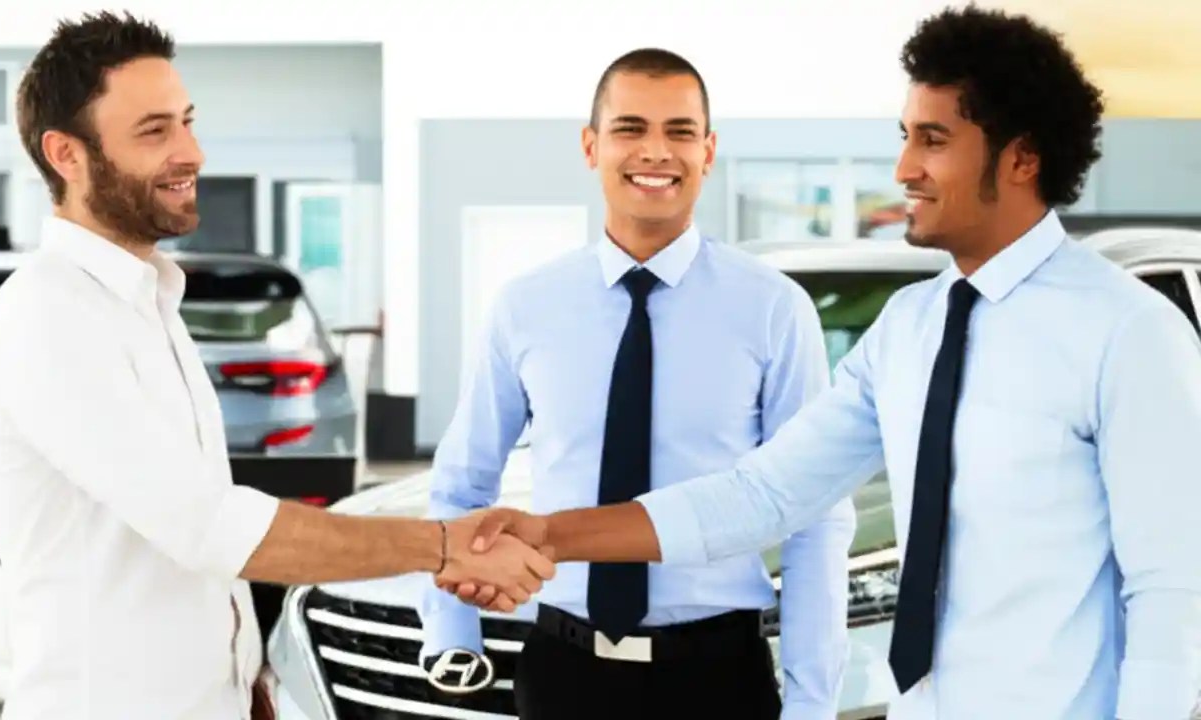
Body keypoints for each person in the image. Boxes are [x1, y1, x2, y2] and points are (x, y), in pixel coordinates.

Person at [452, 8, 1201, 720]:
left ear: (1022, 157)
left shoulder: (1130, 333)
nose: (904, 167)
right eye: (905, 136)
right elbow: (763, 495)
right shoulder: (908, 328)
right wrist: (553, 533)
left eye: (933, 141)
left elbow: (1172, 591)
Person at [0, 12, 553, 720]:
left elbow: (181, 543)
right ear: (66, 154)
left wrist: (244, 679)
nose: (192, 152)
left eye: (187, 121)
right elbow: (211, 526)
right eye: (154, 131)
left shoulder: (146, 303)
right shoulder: (48, 318)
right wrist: (446, 546)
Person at [421, 48, 856, 719]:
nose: (656, 152)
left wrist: (811, 703)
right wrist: (454, 635)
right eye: (630, 129)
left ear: (708, 152)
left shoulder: (773, 308)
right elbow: (461, 482)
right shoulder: (525, 306)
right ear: (591, 145)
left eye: (680, 132)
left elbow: (815, 516)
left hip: (719, 680)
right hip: (565, 674)